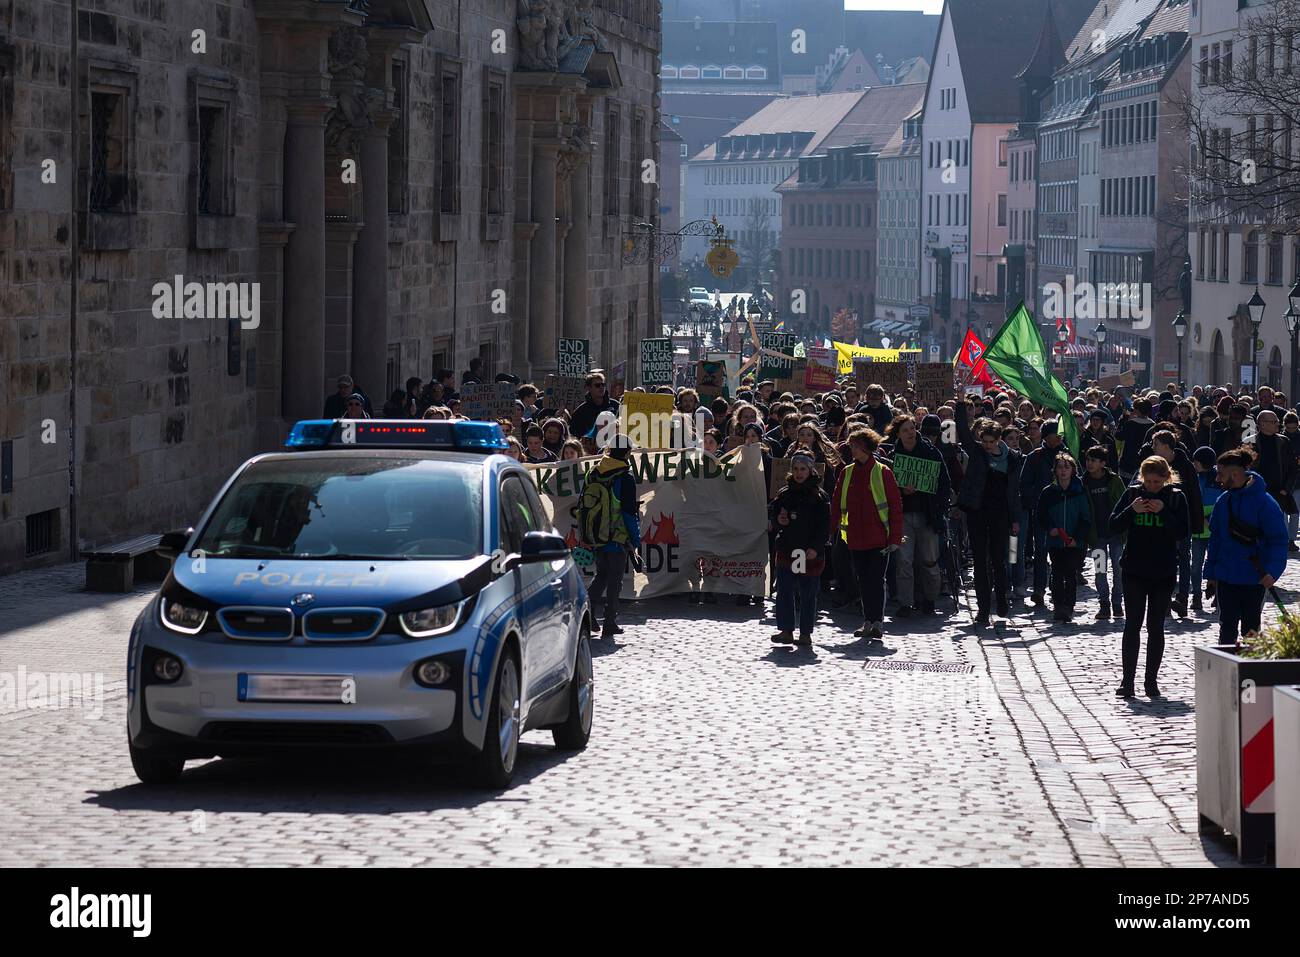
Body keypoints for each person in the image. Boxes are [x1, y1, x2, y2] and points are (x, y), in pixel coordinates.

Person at [1109, 456, 1190, 698]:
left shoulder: (1176, 497)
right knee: (1132, 624)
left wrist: (1164, 512)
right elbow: (1113, 525)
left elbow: (1183, 532)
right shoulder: (1133, 494)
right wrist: (1131, 510)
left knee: (1156, 627)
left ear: (1166, 478)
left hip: (1163, 571)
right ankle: (1128, 681)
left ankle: (1151, 681)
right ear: (1142, 478)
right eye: (1149, 482)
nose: (1153, 487)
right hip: (1134, 569)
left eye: (1157, 482)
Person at [1203, 446, 1288, 644]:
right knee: (1226, 627)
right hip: (1226, 577)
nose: (1218, 479)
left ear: (1235, 473)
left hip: (1254, 578)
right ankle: (1226, 671)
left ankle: (1249, 673)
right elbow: (1215, 539)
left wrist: (1273, 571)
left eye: (1221, 474)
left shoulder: (1265, 503)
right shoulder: (1223, 502)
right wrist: (1212, 575)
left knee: (1251, 631)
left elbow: (1278, 540)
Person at [830, 428, 904, 643]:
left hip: (879, 537)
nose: (851, 449)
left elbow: (895, 506)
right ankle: (868, 621)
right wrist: (831, 530)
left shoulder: (883, 472)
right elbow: (837, 503)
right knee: (863, 580)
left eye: (855, 445)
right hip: (854, 536)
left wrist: (895, 538)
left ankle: (877, 621)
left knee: (876, 579)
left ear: (866, 447)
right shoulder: (847, 472)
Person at [955, 399, 1023, 626]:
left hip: (1000, 515)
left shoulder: (1013, 459)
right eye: (984, 441)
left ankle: (1002, 598)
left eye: (991, 442)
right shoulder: (977, 452)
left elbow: (1014, 493)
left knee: (1000, 558)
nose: (987, 446)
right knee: (980, 564)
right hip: (977, 512)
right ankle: (983, 609)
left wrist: (1015, 519)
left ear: (999, 440)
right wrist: (960, 404)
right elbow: (963, 432)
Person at [881, 414, 950, 616]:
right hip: (903, 517)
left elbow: (943, 484)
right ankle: (905, 602)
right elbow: (887, 486)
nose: (910, 433)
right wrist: (902, 490)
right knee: (904, 561)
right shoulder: (893, 457)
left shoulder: (931, 452)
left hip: (927, 515)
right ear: (898, 434)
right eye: (905, 430)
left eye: (912, 428)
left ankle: (929, 598)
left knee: (929, 560)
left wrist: (931, 498)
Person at [579, 433, 641, 640]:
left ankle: (587, 613)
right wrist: (635, 539)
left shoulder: (594, 472)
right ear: (626, 453)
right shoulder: (625, 477)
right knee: (615, 580)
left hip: (596, 534)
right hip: (617, 536)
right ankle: (610, 622)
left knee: (602, 574)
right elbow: (629, 512)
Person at [769, 450, 831, 647]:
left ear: (810, 470)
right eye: (795, 469)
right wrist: (779, 520)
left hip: (808, 553)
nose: (799, 473)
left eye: (803, 469)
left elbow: (824, 526)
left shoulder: (819, 497)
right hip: (788, 550)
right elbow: (775, 516)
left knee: (807, 594)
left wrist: (815, 547)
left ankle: (805, 632)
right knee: (785, 591)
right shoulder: (784, 494)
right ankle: (786, 630)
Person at [1037, 453, 1091, 624]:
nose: (1063, 471)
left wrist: (1077, 537)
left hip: (1075, 542)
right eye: (1060, 467)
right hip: (1055, 541)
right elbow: (1041, 514)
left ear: (1073, 470)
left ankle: (1069, 605)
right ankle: (1059, 605)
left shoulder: (1079, 491)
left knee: (1071, 573)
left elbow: (1085, 517)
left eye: (1066, 467)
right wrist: (1050, 528)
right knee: (1057, 572)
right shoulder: (1048, 492)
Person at [1020, 419, 1065, 606]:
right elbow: (1025, 483)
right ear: (1047, 435)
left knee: (1059, 552)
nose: (1058, 437)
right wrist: (1035, 502)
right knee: (1041, 551)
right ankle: (1039, 589)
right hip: (1041, 512)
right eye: (1055, 434)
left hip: (1062, 511)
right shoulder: (1035, 456)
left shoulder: (1066, 455)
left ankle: (1057, 589)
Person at [1082, 446, 1126, 620]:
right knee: (1100, 572)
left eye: (1094, 460)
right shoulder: (1083, 482)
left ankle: (1117, 604)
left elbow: (1124, 503)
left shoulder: (1114, 480)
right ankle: (1104, 604)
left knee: (1118, 570)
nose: (1090, 464)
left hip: (1116, 534)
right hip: (1097, 535)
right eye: (1088, 460)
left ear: (1103, 463)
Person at [1190, 446, 1223, 613]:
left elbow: (1221, 502)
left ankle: (1218, 595)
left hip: (1214, 528)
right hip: (1197, 529)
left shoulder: (1218, 479)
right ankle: (1196, 596)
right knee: (1195, 564)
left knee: (1216, 563)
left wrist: (1208, 520)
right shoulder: (1193, 478)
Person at [570, 371, 619, 441]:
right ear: (589, 388)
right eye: (597, 385)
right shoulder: (580, 412)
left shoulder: (616, 405)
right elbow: (575, 436)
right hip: (589, 449)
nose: (601, 387)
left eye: (603, 384)